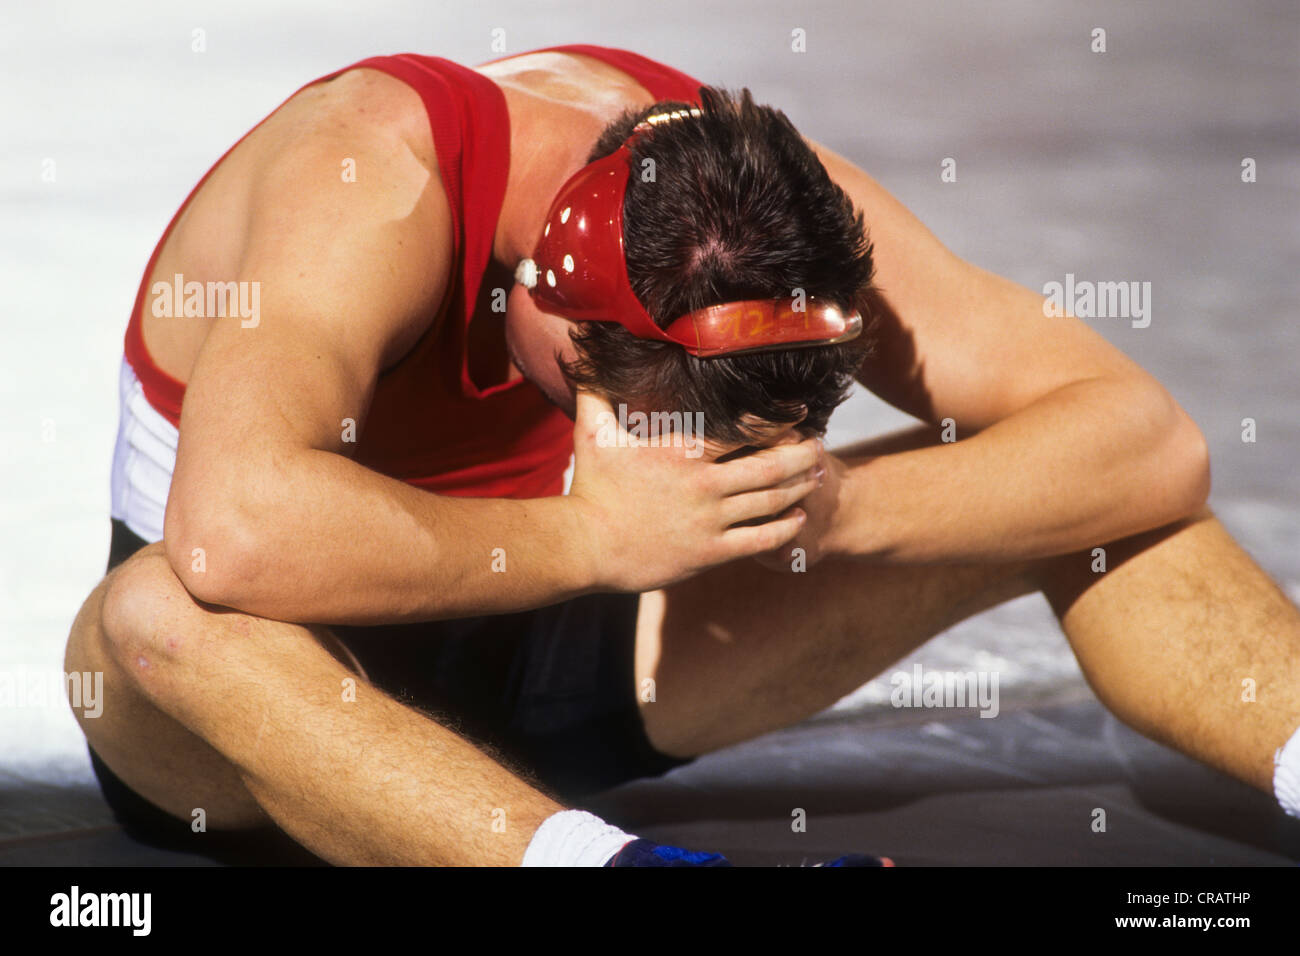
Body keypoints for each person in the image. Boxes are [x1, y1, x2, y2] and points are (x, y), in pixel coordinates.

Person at [64, 44, 1300, 866]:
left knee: (1064, 486)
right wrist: (593, 533)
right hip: (263, 720)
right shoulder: (369, 174)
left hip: (581, 657)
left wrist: (827, 511)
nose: (676, 454)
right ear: (548, 297)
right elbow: (235, 533)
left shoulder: (772, 204)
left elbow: (1145, 438)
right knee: (159, 607)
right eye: (623, 406)